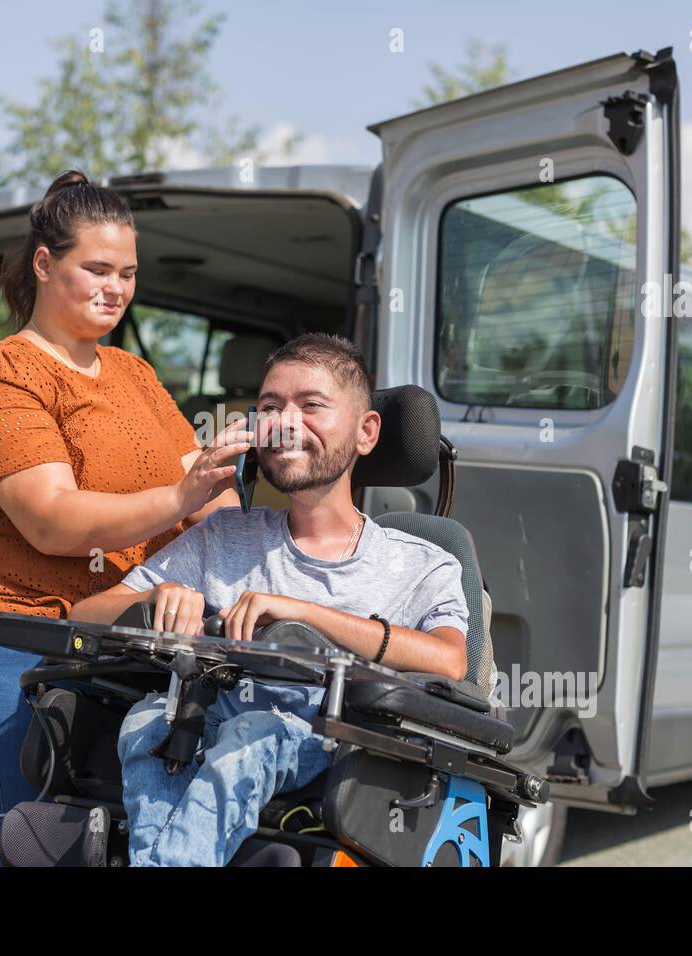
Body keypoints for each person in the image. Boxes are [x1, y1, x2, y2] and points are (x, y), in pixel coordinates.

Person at [70, 333, 471, 866]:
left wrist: (304, 613)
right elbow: (82, 615)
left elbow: (450, 659)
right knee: (150, 717)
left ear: (367, 431)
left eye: (311, 406)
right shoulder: (224, 537)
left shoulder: (426, 561)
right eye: (269, 408)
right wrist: (159, 600)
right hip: (207, 722)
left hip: (346, 749)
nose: (285, 422)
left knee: (255, 734)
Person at [0, 169, 245, 865]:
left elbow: (207, 489)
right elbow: (50, 519)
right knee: (25, 849)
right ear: (45, 264)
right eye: (97, 269)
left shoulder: (134, 374)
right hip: (21, 653)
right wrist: (180, 500)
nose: (116, 287)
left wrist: (222, 523)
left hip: (126, 649)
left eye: (128, 273)